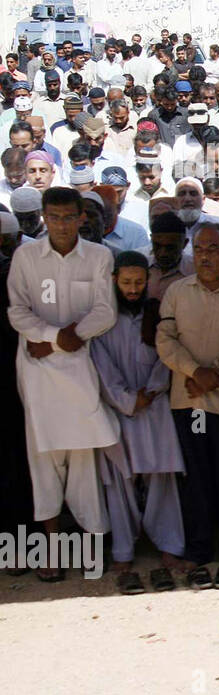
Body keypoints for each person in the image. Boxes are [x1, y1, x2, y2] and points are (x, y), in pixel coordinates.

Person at [7, 188, 119, 579]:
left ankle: (90, 549)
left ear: (81, 218)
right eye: (54, 217)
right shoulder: (25, 257)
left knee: (83, 460)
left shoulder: (99, 256)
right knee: (43, 460)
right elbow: (17, 311)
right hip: (37, 370)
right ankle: (52, 553)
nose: (61, 224)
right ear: (43, 217)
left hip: (80, 364)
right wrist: (56, 339)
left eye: (69, 217)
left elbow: (105, 310)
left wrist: (64, 339)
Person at [156, 222, 219, 588]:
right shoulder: (177, 292)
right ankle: (198, 548)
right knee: (196, 476)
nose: (206, 256)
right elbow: (164, 340)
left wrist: (216, 375)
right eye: (200, 249)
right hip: (190, 403)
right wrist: (194, 371)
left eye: (213, 249)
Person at [92, 250, 187, 592]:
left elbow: (168, 352)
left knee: (162, 476)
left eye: (139, 282)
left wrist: (153, 389)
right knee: (119, 480)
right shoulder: (102, 318)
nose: (133, 289)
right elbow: (100, 365)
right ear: (114, 280)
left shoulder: (156, 312)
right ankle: (123, 550)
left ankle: (169, 546)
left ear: (148, 281)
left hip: (155, 403)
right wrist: (127, 399)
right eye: (127, 282)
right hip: (118, 408)